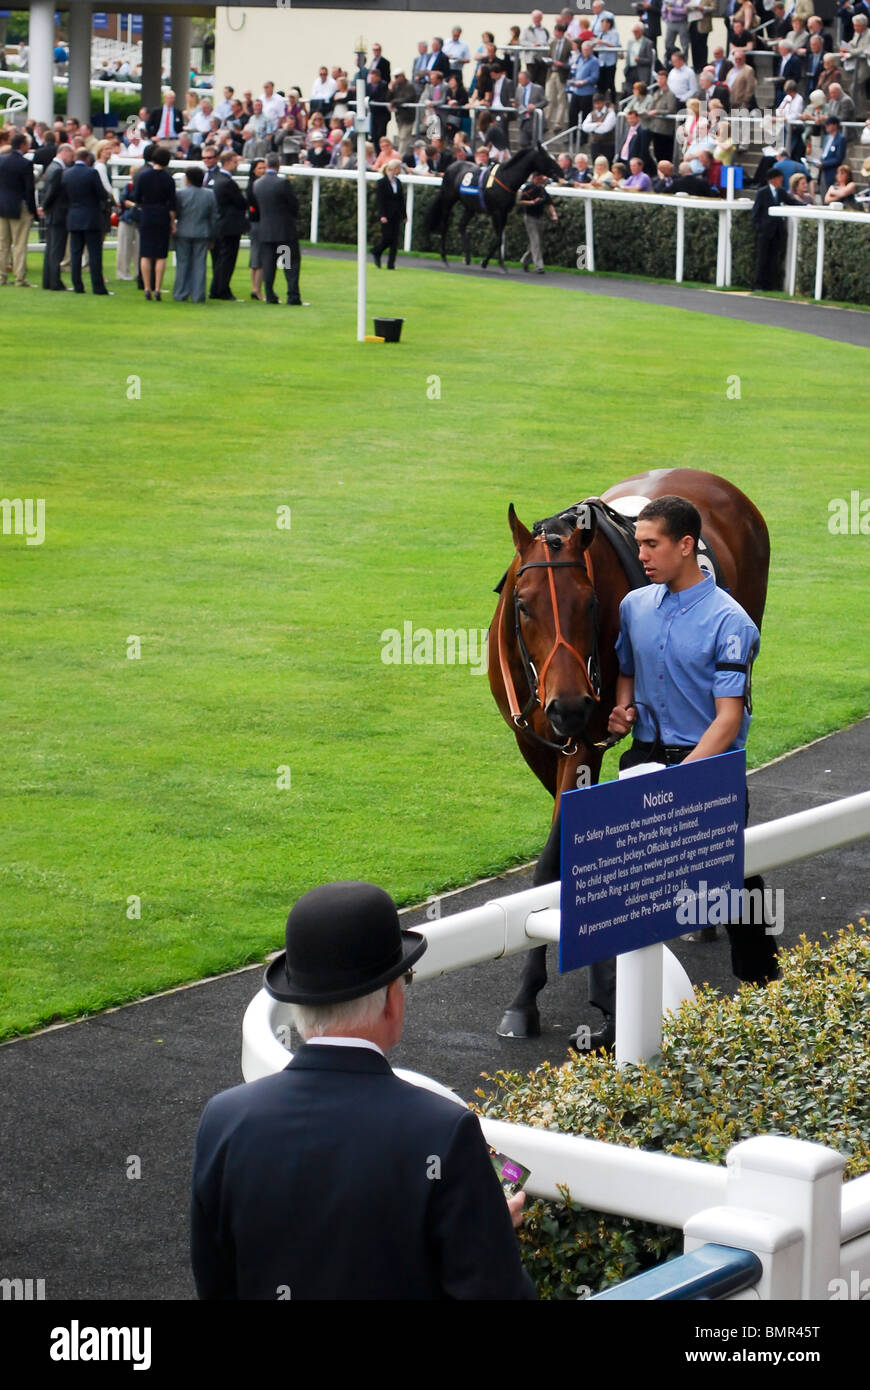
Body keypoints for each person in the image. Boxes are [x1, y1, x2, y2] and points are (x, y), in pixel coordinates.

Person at [191, 880, 536, 1300]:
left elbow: (215, 1285)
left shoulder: (223, 1120)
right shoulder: (445, 1131)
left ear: (298, 1004)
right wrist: (492, 1228)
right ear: (391, 998)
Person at [580, 496, 778, 1051]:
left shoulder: (731, 622)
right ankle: (622, 1020)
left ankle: (765, 998)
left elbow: (728, 720)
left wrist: (681, 780)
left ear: (686, 545)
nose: (641, 554)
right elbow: (628, 669)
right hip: (643, 759)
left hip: (707, 768)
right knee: (627, 891)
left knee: (732, 880)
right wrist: (623, 709)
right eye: (639, 543)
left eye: (652, 544)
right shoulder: (634, 607)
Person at [253, 152, 304, 304]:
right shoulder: (283, 183)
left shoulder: (258, 184)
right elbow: (294, 205)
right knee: (289, 264)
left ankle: (270, 295)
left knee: (268, 265)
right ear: (279, 165)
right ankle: (293, 296)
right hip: (284, 232)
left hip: (266, 232)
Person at [63, 148, 111, 295]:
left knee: (75, 253)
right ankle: (98, 287)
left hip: (74, 216)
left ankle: (78, 286)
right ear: (87, 159)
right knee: (95, 254)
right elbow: (102, 194)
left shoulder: (66, 173)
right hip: (91, 217)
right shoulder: (92, 173)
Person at [135, 144, 176, 300]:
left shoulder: (144, 176)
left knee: (145, 253)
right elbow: (172, 203)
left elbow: (137, 197)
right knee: (160, 255)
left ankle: (147, 288)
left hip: (147, 213)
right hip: (162, 214)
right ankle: (157, 288)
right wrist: (172, 222)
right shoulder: (168, 179)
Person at [173, 165, 217, 302]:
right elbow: (214, 217)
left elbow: (176, 213)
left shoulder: (180, 194)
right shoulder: (210, 194)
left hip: (183, 231)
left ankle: (181, 293)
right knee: (200, 264)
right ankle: (198, 295)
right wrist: (213, 236)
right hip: (202, 232)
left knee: (182, 263)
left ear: (188, 179)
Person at [210, 149, 248, 300]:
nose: (237, 164)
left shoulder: (218, 179)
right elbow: (241, 202)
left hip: (222, 225)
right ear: (227, 162)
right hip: (229, 226)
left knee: (221, 260)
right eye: (235, 162)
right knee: (227, 260)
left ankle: (216, 289)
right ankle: (222, 290)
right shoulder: (227, 182)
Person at [752, 167, 799, 289]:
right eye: (779, 179)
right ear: (773, 179)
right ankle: (759, 284)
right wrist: (760, 228)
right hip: (765, 231)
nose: (781, 181)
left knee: (774, 258)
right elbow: (756, 212)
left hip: (777, 231)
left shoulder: (781, 192)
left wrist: (806, 205)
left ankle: (771, 284)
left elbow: (791, 201)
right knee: (762, 258)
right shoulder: (762, 192)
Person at [0, 132, 36, 288]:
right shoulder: (25, 163)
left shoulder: (1, 160)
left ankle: (1, 276)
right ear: (22, 145)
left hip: (2, 205)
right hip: (18, 206)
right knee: (19, 244)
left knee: (3, 244)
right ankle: (20, 278)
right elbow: (29, 189)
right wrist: (32, 209)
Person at [39, 142, 74, 290]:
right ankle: (55, 281)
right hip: (58, 214)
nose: (72, 158)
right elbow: (52, 192)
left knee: (51, 249)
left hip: (53, 214)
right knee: (56, 250)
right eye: (71, 155)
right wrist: (45, 206)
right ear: (64, 151)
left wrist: (44, 207)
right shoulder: (58, 170)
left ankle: (48, 281)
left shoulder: (51, 167)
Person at [519, 169, 557, 273]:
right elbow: (521, 201)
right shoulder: (528, 188)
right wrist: (531, 202)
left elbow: (549, 203)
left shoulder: (542, 189)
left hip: (540, 217)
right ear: (535, 178)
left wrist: (554, 214)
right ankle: (539, 266)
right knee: (535, 241)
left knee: (536, 242)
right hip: (530, 218)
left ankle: (525, 260)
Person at [372, 158, 406, 269]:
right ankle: (377, 251)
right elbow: (380, 200)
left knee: (395, 241)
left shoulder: (398, 182)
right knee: (387, 238)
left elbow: (401, 200)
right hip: (386, 214)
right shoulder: (381, 183)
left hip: (396, 214)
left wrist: (404, 215)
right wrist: (382, 215)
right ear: (394, 168)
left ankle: (391, 264)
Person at [246, 156, 267, 299]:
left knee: (255, 257)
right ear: (254, 170)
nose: (263, 170)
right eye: (260, 168)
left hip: (255, 223)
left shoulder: (253, 184)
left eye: (264, 167)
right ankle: (257, 290)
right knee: (259, 258)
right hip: (259, 223)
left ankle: (255, 288)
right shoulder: (256, 186)